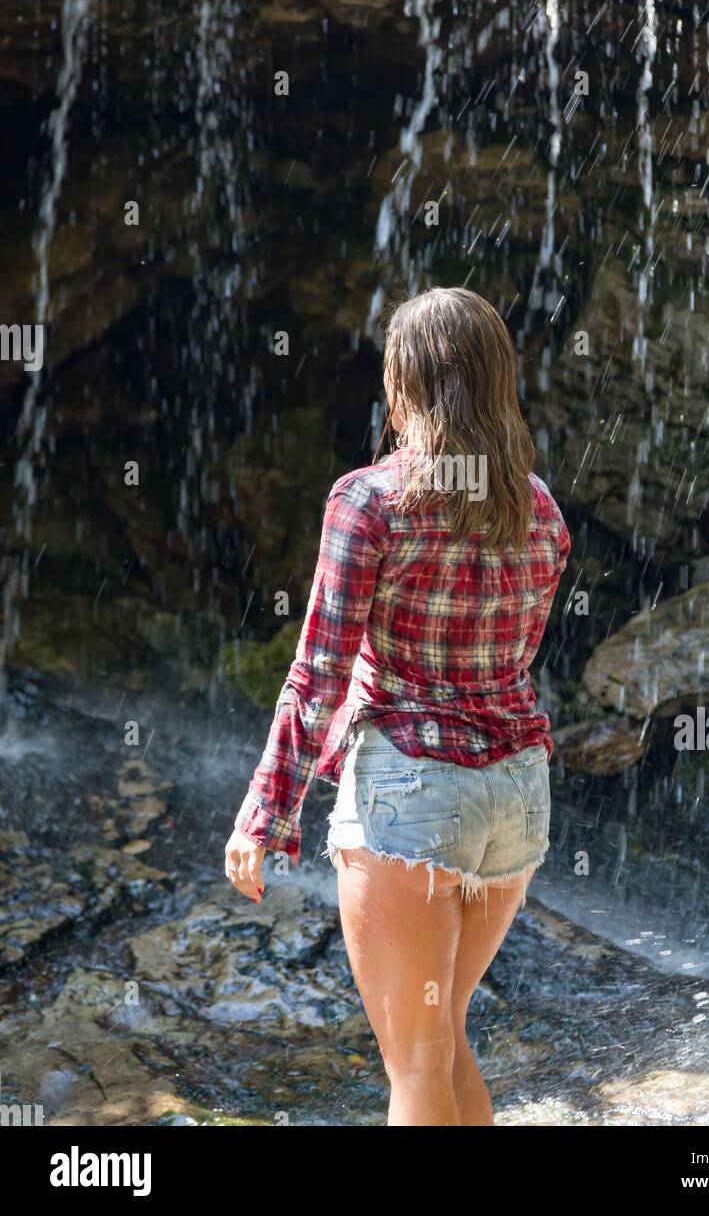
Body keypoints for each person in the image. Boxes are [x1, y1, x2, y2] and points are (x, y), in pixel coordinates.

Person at [224, 286, 571, 1125]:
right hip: (518, 800)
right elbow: (509, 664)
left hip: (413, 794)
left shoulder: (369, 502)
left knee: (414, 1070)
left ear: (401, 385)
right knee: (442, 1039)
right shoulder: (542, 512)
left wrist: (265, 813)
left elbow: (319, 672)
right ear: (499, 383)